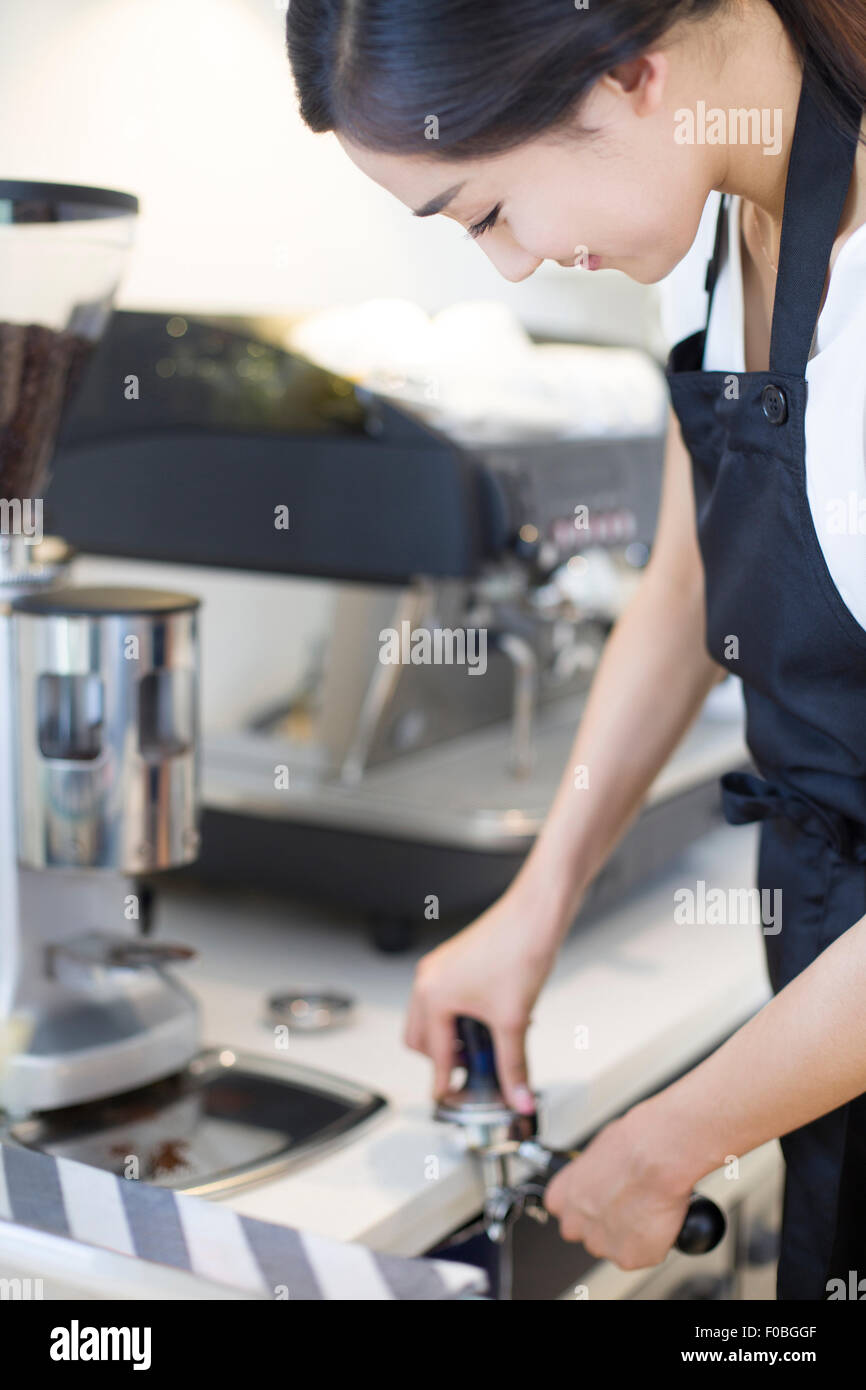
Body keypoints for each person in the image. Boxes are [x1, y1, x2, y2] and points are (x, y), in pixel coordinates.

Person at [286, 0, 866, 1299]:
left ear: (629, 76)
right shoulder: (718, 227)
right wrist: (529, 909)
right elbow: (681, 592)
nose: (512, 265)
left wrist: (680, 1132)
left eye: (489, 214)